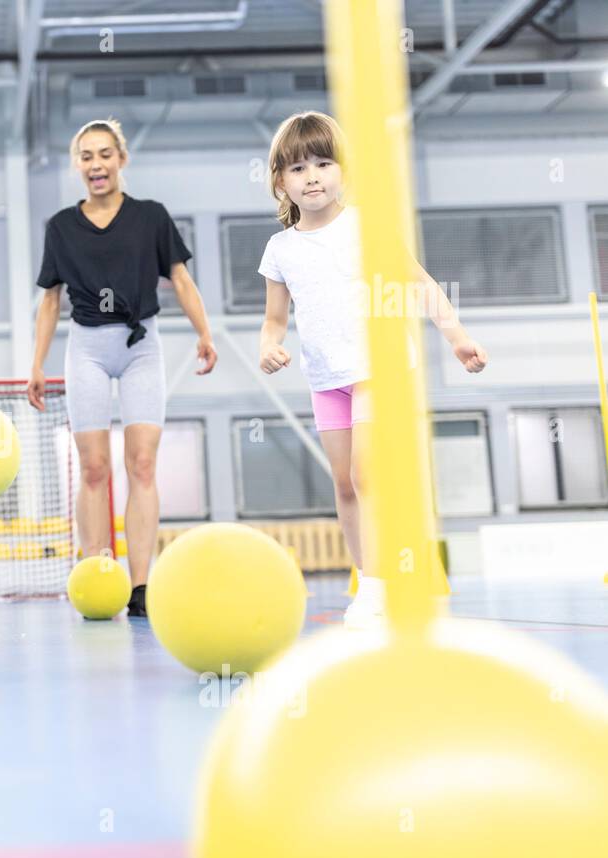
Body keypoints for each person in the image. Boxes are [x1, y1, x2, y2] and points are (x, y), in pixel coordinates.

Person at [256, 111, 488, 627]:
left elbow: (420, 283)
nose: (312, 176)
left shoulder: (366, 227)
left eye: (323, 163)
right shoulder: (281, 249)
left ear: (344, 171)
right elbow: (274, 320)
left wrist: (457, 337)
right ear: (280, 181)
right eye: (297, 169)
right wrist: (268, 347)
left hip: (378, 369)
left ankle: (382, 584)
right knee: (343, 484)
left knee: (366, 474)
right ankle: (367, 580)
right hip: (326, 380)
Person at [27, 118, 216, 618]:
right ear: (77, 166)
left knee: (142, 464)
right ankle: (94, 574)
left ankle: (140, 585)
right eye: (86, 156)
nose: (96, 165)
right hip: (86, 346)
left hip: (141, 346)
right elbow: (50, 301)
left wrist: (204, 333)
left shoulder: (151, 217)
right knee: (93, 468)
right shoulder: (61, 227)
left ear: (121, 160)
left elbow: (180, 278)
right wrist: (37, 364)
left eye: (105, 154)